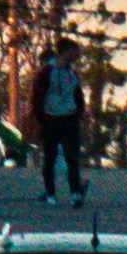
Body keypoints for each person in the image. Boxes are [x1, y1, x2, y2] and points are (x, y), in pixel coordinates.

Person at [32, 26, 88, 200]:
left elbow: (78, 95)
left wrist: (78, 112)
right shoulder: (46, 72)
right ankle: (50, 193)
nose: (76, 55)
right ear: (64, 52)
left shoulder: (73, 74)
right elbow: (37, 97)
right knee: (50, 157)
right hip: (50, 119)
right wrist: (41, 119)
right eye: (73, 51)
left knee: (72, 157)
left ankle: (75, 192)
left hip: (69, 119)